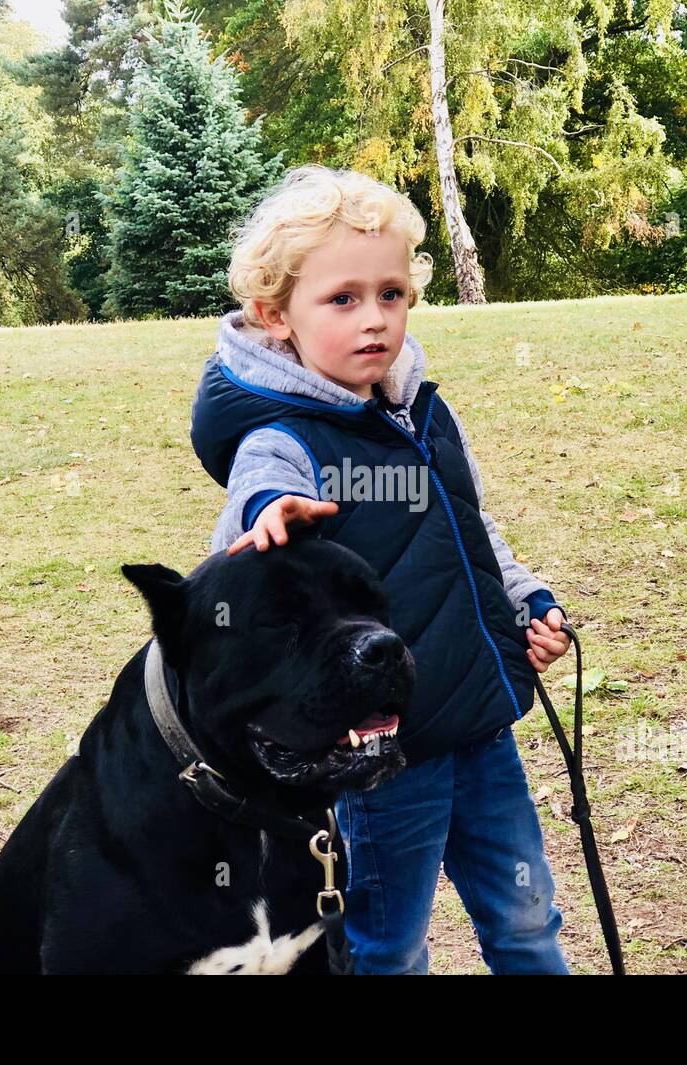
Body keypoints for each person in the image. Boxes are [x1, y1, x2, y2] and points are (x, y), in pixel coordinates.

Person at [190, 165, 572, 974]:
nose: (375, 319)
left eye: (392, 294)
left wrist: (523, 598)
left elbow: (471, 533)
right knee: (387, 946)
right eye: (343, 299)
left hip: (477, 730)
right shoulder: (283, 438)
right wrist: (272, 515)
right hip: (378, 753)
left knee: (528, 916)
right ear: (273, 314)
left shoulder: (422, 417)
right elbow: (264, 493)